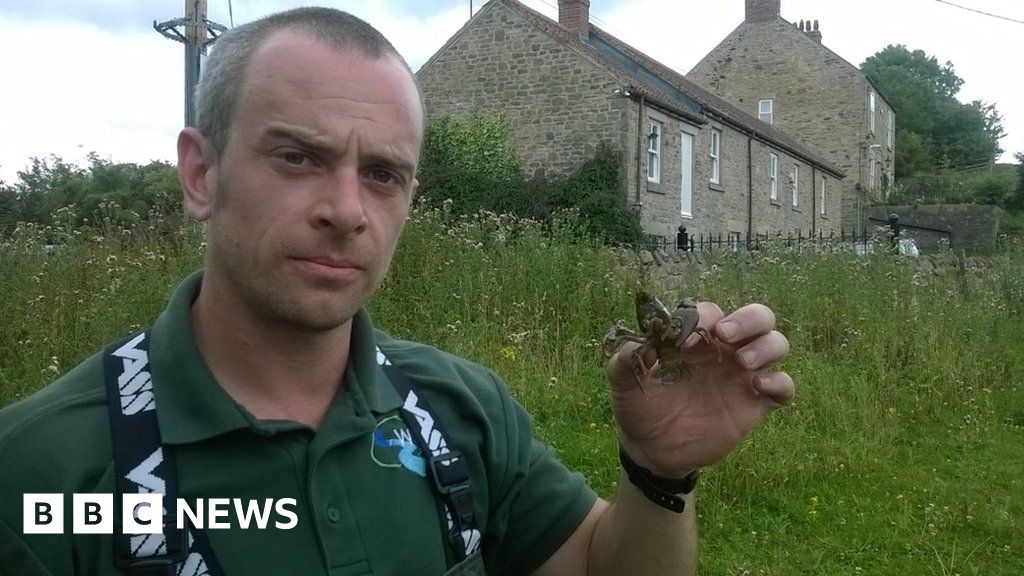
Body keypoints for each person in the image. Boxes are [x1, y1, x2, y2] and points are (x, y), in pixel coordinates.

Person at [0, 7, 793, 576]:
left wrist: (655, 473)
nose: (346, 211)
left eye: (382, 174)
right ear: (201, 174)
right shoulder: (42, 476)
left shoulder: (462, 409)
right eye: (297, 157)